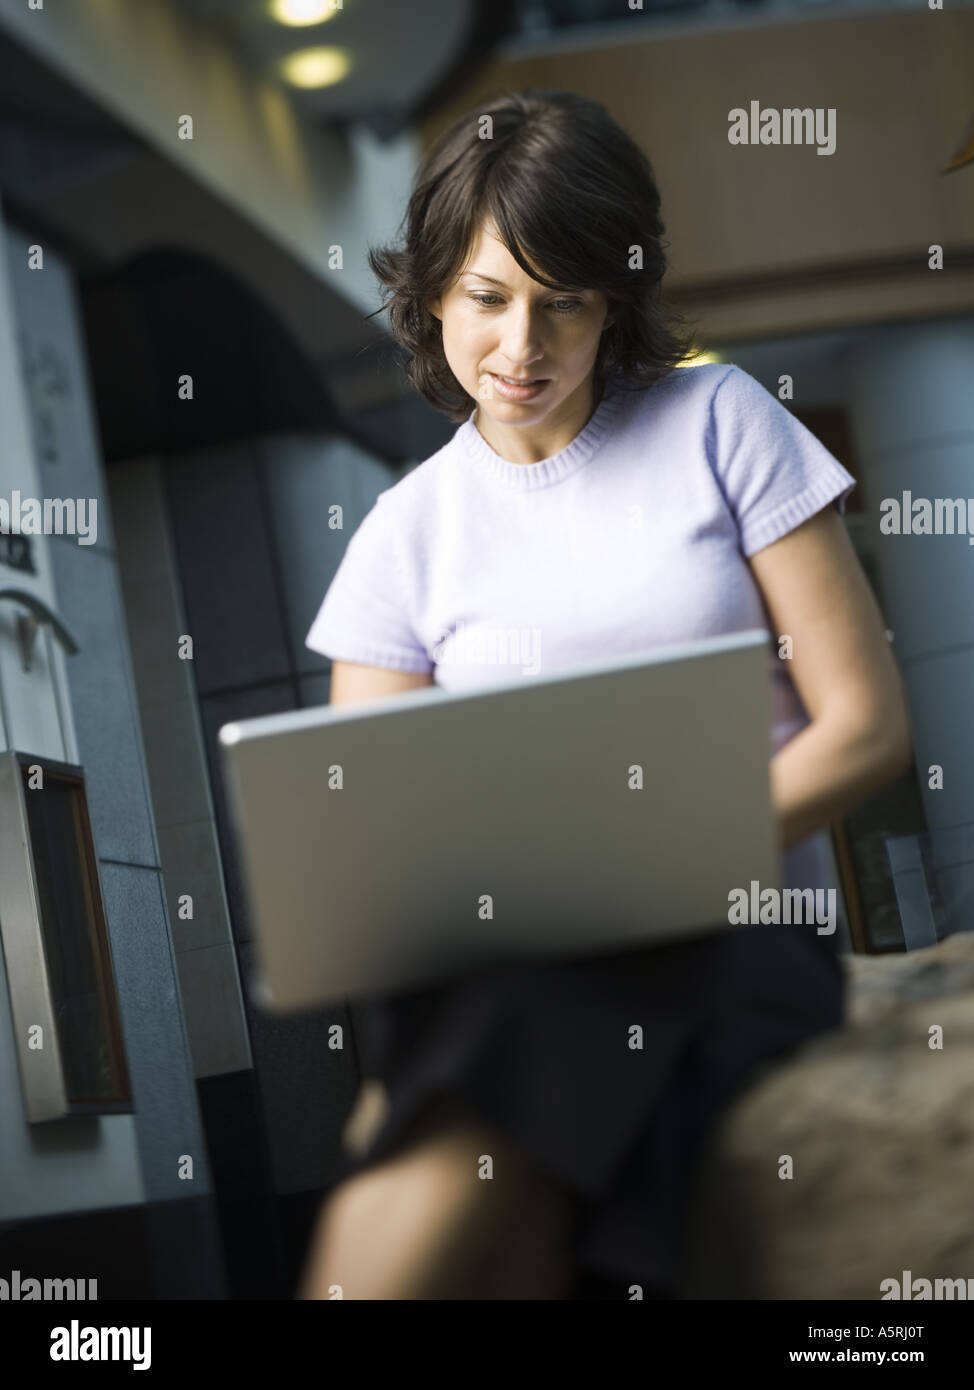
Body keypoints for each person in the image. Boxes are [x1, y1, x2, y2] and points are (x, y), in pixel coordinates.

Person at [296, 89, 914, 1300]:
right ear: (429, 293)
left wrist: (642, 865)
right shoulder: (397, 536)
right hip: (502, 962)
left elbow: (866, 729)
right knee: (502, 1082)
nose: (519, 347)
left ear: (613, 301)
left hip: (733, 937)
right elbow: (368, 852)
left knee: (481, 1118)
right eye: (486, 297)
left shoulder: (720, 423)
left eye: (563, 302)